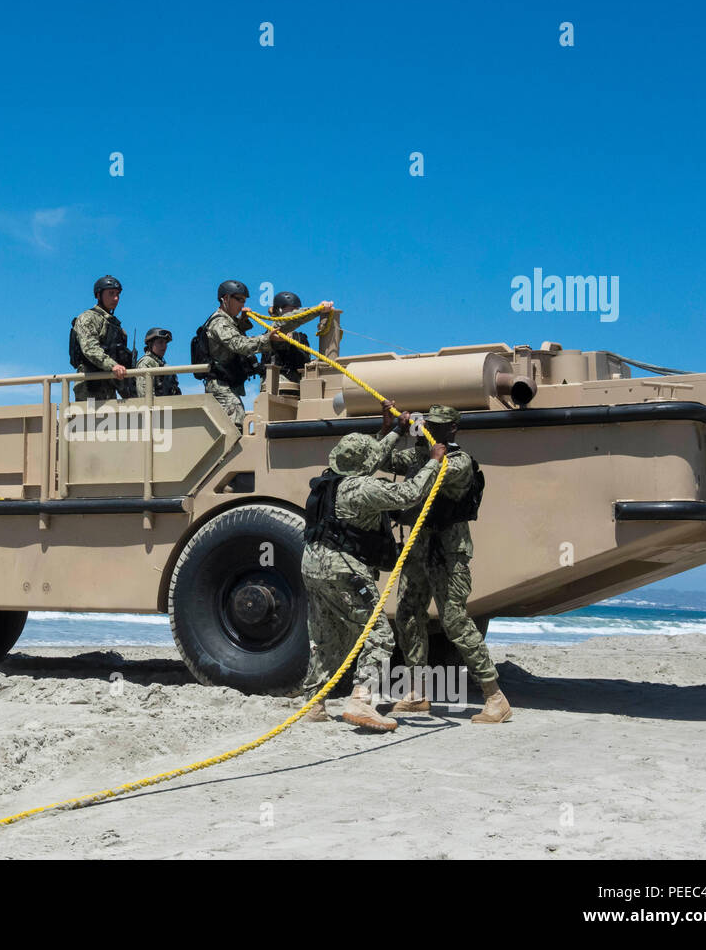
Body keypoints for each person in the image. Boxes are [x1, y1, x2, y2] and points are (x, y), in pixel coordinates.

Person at [373, 403, 512, 724]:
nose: (429, 429)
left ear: (452, 429)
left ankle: (495, 696)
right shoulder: (423, 455)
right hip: (419, 548)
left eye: (436, 425)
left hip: (449, 554)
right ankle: (417, 691)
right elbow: (379, 459)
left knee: (454, 620)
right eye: (428, 423)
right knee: (408, 614)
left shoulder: (458, 462)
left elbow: (431, 476)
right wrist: (390, 429)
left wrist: (424, 448)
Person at [299, 432, 447, 731]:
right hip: (345, 569)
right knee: (379, 634)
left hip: (312, 565)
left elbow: (370, 456)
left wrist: (394, 430)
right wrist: (433, 463)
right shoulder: (363, 488)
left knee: (326, 636)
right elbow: (408, 495)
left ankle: (314, 702)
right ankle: (361, 700)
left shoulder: (328, 482)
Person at [195, 280, 277, 427]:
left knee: (237, 419)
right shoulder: (219, 322)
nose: (242, 305)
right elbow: (239, 344)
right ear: (225, 299)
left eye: (244, 301)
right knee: (236, 418)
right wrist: (267, 339)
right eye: (239, 300)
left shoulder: (230, 321)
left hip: (228, 383)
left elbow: (237, 332)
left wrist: (244, 320)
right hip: (220, 384)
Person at [70, 275, 133, 402]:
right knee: (89, 422)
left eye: (117, 294)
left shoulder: (116, 326)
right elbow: (90, 348)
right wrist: (113, 366)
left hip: (110, 388)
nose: (116, 298)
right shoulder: (88, 318)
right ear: (98, 295)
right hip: (90, 386)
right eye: (111, 293)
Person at [135, 327, 181, 398]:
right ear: (150, 344)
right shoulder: (146, 362)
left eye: (166, 343)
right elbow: (144, 396)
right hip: (154, 407)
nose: (164, 346)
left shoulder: (163, 365)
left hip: (168, 407)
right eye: (160, 342)